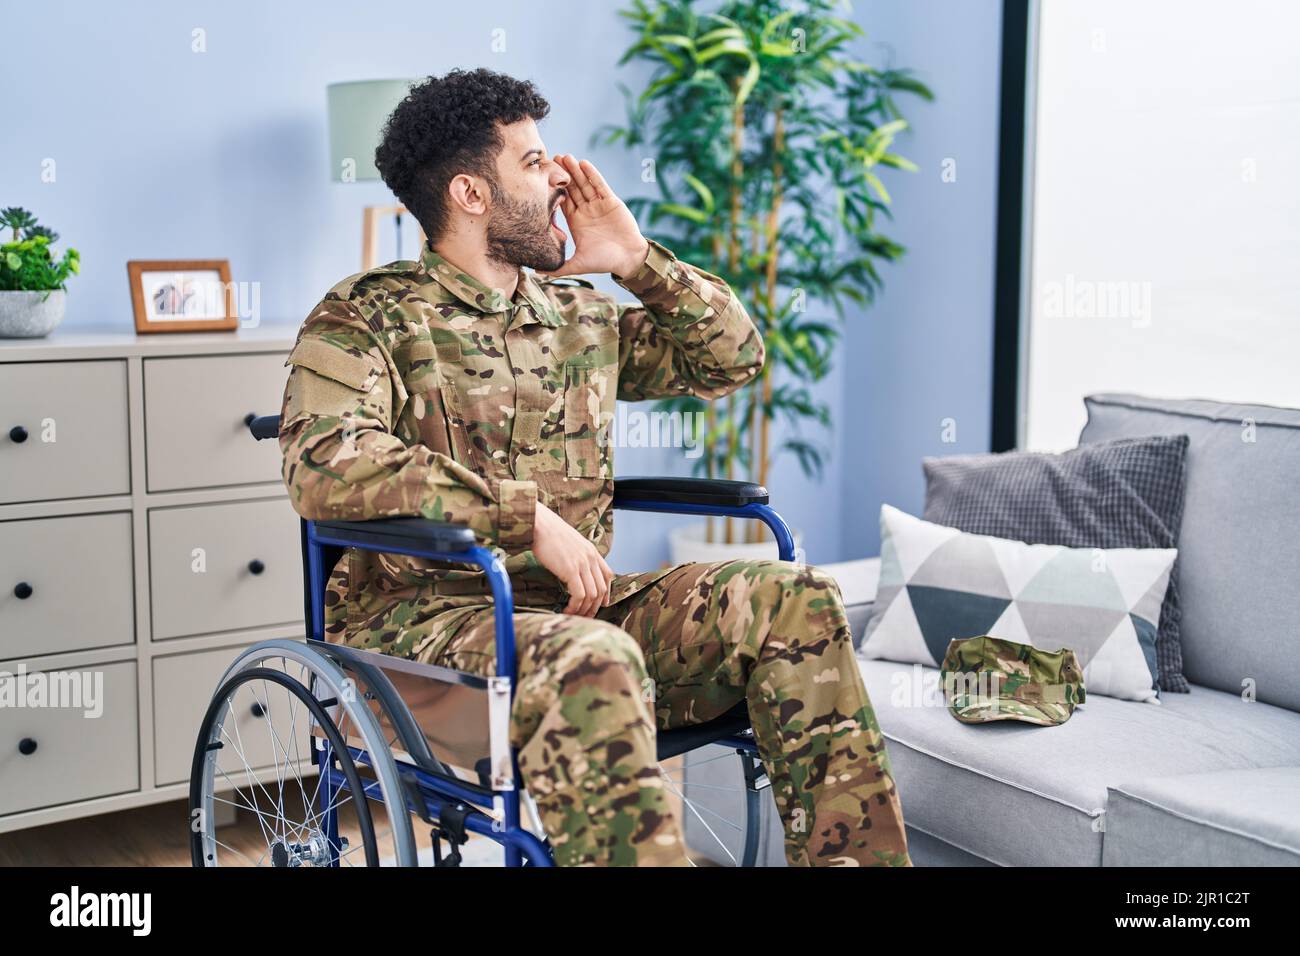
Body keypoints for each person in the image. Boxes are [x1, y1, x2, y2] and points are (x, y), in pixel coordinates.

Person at [278, 67, 909, 867]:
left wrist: (636, 258)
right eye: (535, 162)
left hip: (579, 611)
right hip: (424, 629)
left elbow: (733, 360)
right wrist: (522, 516)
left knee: (798, 599)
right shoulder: (366, 314)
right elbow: (324, 463)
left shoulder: (577, 316)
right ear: (472, 194)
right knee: (594, 659)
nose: (562, 178)